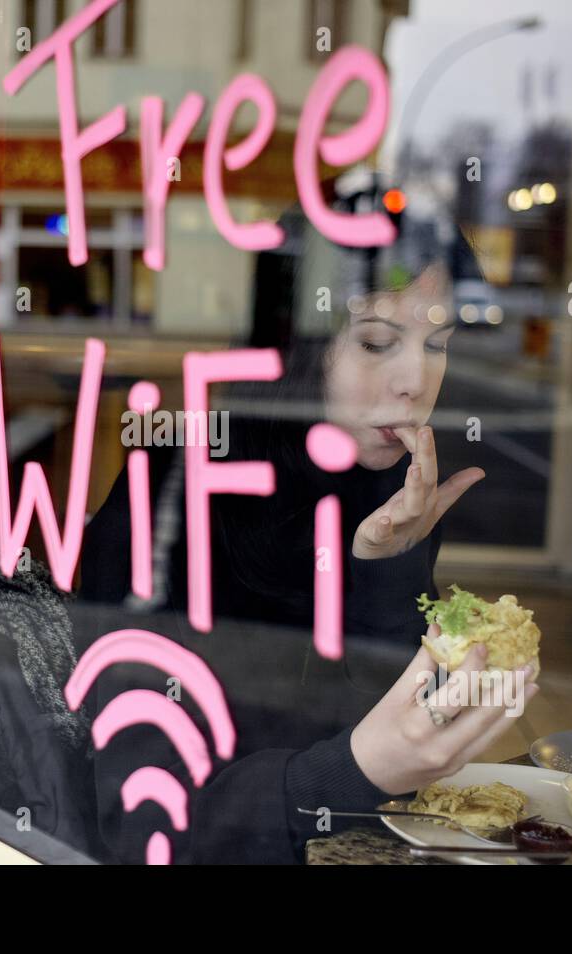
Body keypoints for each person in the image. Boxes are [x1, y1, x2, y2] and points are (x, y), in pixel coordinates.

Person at [74, 188, 540, 864]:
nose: (416, 379)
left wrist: (388, 566)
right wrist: (353, 771)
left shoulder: (386, 490)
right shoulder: (171, 492)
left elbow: (397, 769)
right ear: (292, 345)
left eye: (437, 343)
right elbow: (143, 829)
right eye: (378, 341)